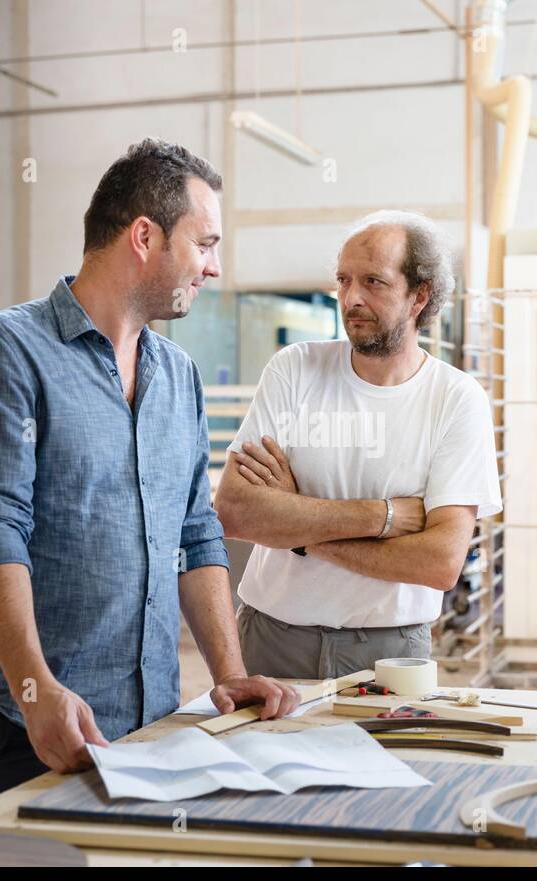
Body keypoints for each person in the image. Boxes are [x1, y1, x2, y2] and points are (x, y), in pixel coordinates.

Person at [0, 138, 298, 798]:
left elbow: (195, 533)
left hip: (154, 723)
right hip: (42, 726)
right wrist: (35, 688)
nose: (214, 267)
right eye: (205, 243)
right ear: (144, 236)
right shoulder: (6, 353)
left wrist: (229, 671)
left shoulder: (178, 376)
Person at [214, 210, 502, 680]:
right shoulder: (295, 370)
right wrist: (384, 516)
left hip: (391, 652)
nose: (351, 298)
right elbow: (235, 512)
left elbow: (439, 562)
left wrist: (298, 527)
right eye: (343, 280)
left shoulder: (456, 399)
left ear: (419, 296)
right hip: (270, 638)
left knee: (384, 757)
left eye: (373, 281)